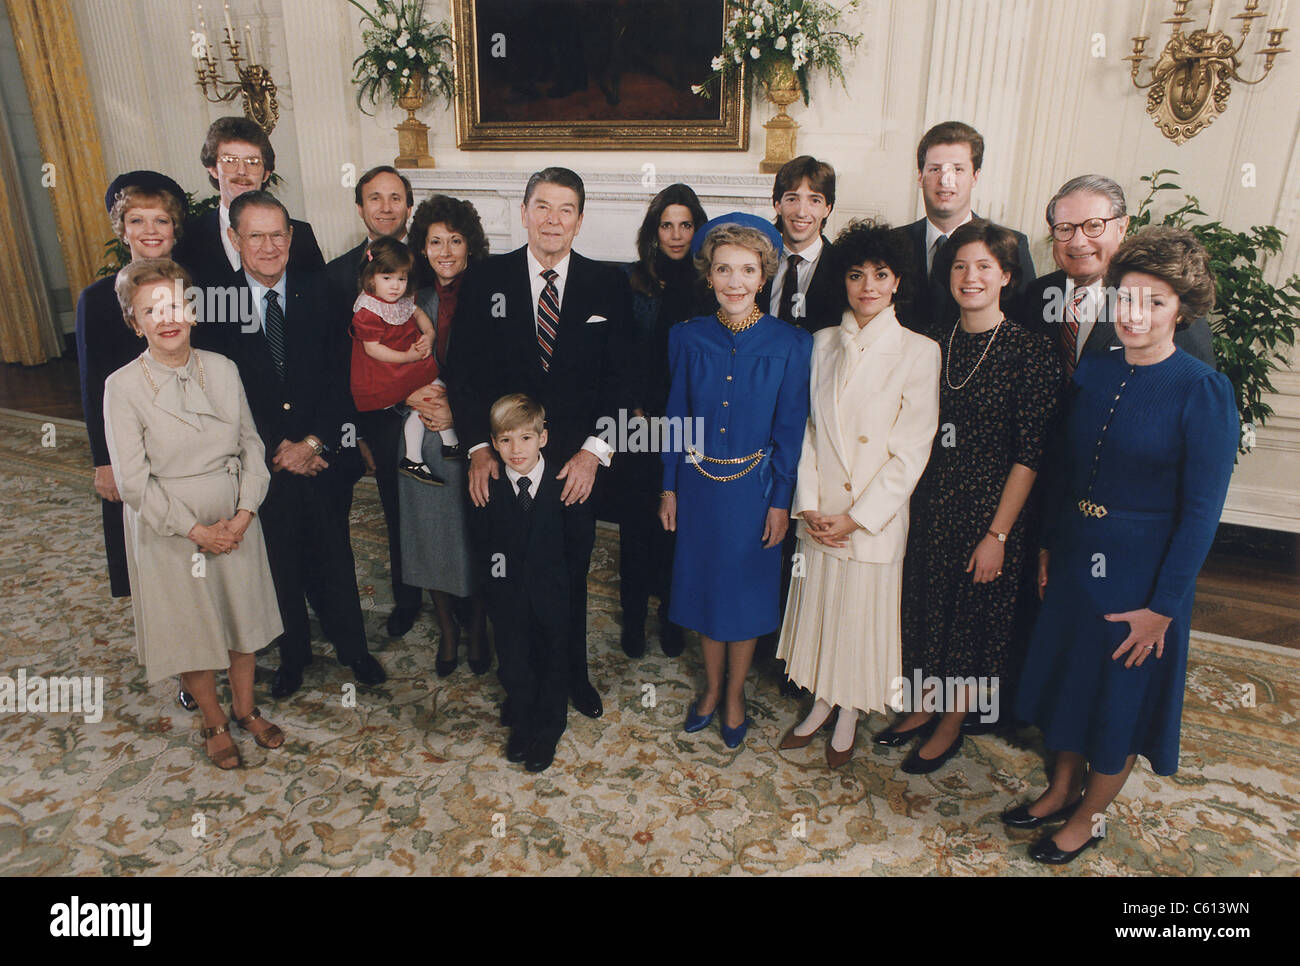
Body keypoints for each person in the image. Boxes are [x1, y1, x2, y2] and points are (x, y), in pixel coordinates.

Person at [1007, 227, 1238, 864]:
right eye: (1127, 297)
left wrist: (1163, 607)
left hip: (1142, 578)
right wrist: (1051, 545)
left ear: (1181, 311)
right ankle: (1057, 791)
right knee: (1068, 683)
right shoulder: (1097, 368)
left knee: (1117, 701)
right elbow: (1066, 468)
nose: (1135, 314)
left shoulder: (1203, 391)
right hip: (1077, 554)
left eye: (1154, 302)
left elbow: (1200, 516)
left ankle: (1089, 816)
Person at [446, 167, 632, 721]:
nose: (553, 220)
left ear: (580, 219)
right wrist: (479, 448)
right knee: (507, 574)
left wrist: (593, 454)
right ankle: (519, 683)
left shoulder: (607, 285)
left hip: (573, 466)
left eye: (566, 209)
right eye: (542, 207)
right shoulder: (486, 280)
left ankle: (572, 673)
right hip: (504, 461)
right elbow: (464, 374)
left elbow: (624, 379)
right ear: (524, 213)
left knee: (568, 576)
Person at [884, 220, 1060, 772]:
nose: (970, 276)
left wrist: (998, 536)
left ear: (1006, 275)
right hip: (930, 501)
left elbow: (1030, 455)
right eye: (960, 265)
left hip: (993, 511)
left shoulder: (1032, 353)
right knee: (926, 609)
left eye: (984, 266)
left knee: (975, 620)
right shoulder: (931, 341)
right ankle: (924, 707)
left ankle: (953, 722)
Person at [102, 258, 285, 769]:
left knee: (240, 619)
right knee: (192, 629)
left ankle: (247, 710)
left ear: (193, 310)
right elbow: (133, 480)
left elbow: (251, 445)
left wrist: (245, 513)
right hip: (170, 526)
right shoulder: (122, 387)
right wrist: (196, 531)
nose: (166, 318)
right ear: (134, 322)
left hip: (234, 515)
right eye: (150, 311)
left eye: (175, 305)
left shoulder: (224, 369)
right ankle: (213, 719)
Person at [776, 220, 940, 766]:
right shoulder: (820, 343)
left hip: (871, 520)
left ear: (898, 282)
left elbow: (911, 451)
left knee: (859, 617)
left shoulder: (919, 351)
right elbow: (804, 431)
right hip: (821, 512)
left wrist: (857, 516)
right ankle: (821, 701)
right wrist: (811, 505)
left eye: (880, 274)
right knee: (824, 611)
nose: (868, 285)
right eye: (856, 274)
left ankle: (849, 711)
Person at [212, 190, 385, 699]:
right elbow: (222, 395)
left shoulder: (325, 291)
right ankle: (294, 654)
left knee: (334, 553)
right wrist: (275, 449)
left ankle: (353, 647)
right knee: (279, 560)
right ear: (235, 239)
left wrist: (312, 442)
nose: (268, 246)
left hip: (324, 455)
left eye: (277, 235)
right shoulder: (215, 304)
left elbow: (344, 378)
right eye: (256, 235)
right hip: (260, 462)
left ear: (291, 238)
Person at [659, 214, 812, 749]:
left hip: (756, 490)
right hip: (699, 486)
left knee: (744, 596)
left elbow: (790, 430)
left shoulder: (793, 344)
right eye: (724, 269)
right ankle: (710, 686)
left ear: (764, 275)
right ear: (709, 276)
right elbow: (675, 415)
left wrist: (780, 501)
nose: (735, 281)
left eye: (747, 270)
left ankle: (734, 694)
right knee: (704, 588)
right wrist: (669, 486)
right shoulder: (686, 337)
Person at [77, 170, 199, 713]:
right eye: (137, 221)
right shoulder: (97, 299)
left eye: (161, 220)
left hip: (195, 447)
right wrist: (104, 462)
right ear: (122, 229)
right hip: (136, 453)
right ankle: (182, 670)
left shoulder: (199, 287)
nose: (150, 230)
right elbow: (88, 382)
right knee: (159, 566)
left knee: (203, 554)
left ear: (175, 228)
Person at [398, 194, 492, 675]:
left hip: (475, 433)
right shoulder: (405, 295)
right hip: (421, 431)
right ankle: (447, 631)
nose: (446, 250)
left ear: (469, 244)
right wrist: (409, 398)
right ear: (422, 247)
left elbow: (503, 368)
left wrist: (460, 408)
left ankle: (477, 627)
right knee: (429, 534)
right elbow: (374, 358)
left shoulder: (491, 290)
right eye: (435, 241)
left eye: (455, 240)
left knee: (473, 535)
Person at [616, 182, 708, 659]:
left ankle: (671, 616)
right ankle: (632, 617)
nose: (676, 235)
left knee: (679, 524)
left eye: (685, 225)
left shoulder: (711, 282)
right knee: (638, 523)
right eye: (666, 225)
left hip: (692, 422)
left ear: (698, 228)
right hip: (640, 419)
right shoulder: (633, 279)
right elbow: (622, 352)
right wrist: (633, 410)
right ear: (654, 231)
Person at [472, 394, 580, 773]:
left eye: (525, 439)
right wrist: (497, 589)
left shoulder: (564, 481)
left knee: (552, 662)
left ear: (543, 438)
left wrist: (561, 587)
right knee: (514, 664)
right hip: (507, 596)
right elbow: (483, 545)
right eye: (504, 440)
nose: (515, 450)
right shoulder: (489, 483)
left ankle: (548, 729)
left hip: (553, 594)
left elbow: (577, 546)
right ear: (493, 441)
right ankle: (522, 721)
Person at [1017, 175, 1215, 370]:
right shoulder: (1037, 293)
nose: (1078, 242)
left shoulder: (1164, 302)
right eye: (1065, 228)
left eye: (1094, 226)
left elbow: (1195, 385)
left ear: (1122, 227)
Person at [899, 121, 1035, 335]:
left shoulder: (1013, 245)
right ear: (920, 176)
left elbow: (1024, 323)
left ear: (975, 177)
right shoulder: (894, 243)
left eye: (958, 169)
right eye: (935, 169)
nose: (945, 181)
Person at [347, 236, 453, 484]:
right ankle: (420, 454)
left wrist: (429, 334)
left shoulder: (404, 300)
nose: (395, 286)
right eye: (387, 278)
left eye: (401, 278)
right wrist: (407, 356)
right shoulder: (368, 310)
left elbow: (419, 314)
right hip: (383, 375)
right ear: (371, 278)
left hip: (404, 367)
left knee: (436, 390)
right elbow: (373, 350)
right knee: (428, 392)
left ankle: (442, 446)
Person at [172, 116, 324, 286]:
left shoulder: (301, 235)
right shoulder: (189, 237)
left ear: (266, 174)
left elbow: (319, 300)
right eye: (230, 161)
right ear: (213, 169)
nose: (242, 171)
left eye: (253, 162)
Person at [758, 155, 841, 332]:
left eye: (815, 200)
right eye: (792, 199)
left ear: (828, 208)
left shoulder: (842, 266)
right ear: (777, 205)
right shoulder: (757, 260)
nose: (802, 212)